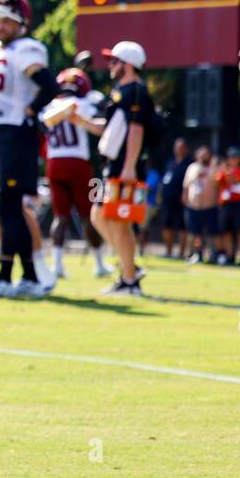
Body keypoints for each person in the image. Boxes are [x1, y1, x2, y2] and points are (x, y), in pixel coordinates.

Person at [0, 0, 59, 298]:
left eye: (7, 21)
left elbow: (48, 85)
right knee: (7, 206)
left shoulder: (27, 49)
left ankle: (9, 276)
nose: (1, 26)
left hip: (16, 134)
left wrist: (30, 112)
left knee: (9, 207)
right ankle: (25, 275)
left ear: (21, 23)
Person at [80, 41, 153, 295]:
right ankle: (129, 266)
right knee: (100, 216)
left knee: (117, 220)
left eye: (114, 61)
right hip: (113, 165)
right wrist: (78, 120)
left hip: (125, 166)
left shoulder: (135, 91)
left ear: (129, 64)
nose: (110, 65)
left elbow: (136, 130)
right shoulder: (120, 92)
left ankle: (130, 280)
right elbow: (107, 129)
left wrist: (130, 166)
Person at [41, 67, 111, 278]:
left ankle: (58, 265)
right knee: (88, 215)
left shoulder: (49, 107)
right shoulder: (83, 104)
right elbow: (101, 124)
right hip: (78, 163)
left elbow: (42, 126)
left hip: (54, 163)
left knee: (60, 217)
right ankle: (99, 263)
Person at [182, 145, 221, 264]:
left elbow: (218, 184)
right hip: (193, 205)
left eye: (205, 155)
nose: (203, 157)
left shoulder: (213, 168)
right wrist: (184, 197)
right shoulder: (192, 168)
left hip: (210, 205)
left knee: (211, 233)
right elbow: (186, 185)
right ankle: (197, 254)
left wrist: (212, 170)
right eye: (201, 155)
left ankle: (212, 255)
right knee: (194, 232)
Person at [216, 145, 240, 266]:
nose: (232, 159)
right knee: (226, 232)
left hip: (238, 204)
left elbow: (233, 181)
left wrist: (226, 171)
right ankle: (230, 256)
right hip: (226, 204)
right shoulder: (223, 171)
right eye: (231, 157)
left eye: (235, 157)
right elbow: (217, 182)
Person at [160, 138, 192, 259]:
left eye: (181, 147)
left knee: (183, 227)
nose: (178, 150)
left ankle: (181, 253)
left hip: (182, 200)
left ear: (186, 149)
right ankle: (168, 251)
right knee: (167, 225)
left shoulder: (189, 164)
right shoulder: (170, 162)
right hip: (168, 200)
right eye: (177, 147)